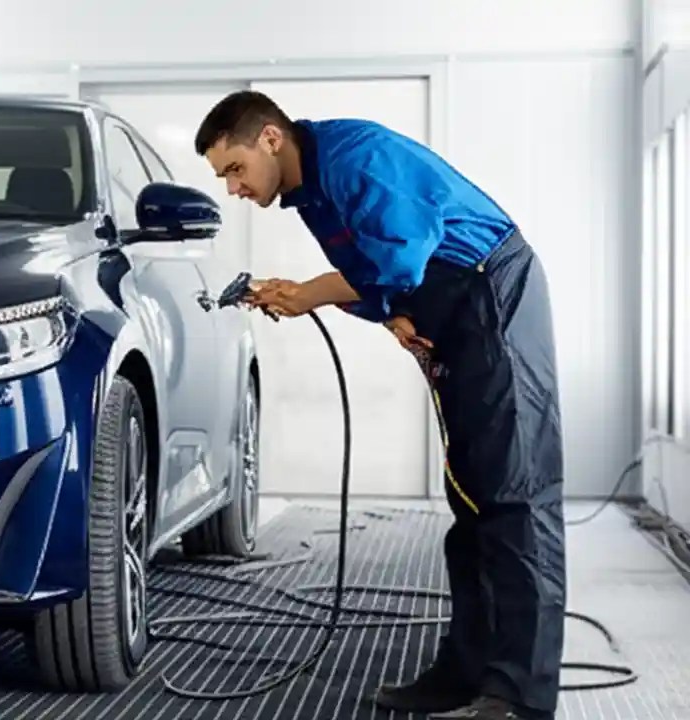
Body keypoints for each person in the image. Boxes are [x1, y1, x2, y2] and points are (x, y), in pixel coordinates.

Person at [193, 90, 566, 720]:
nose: (233, 188)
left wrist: (313, 292)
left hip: (492, 295)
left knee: (513, 498)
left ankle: (519, 696)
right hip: (450, 309)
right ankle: (465, 673)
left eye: (234, 169)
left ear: (270, 140)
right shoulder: (309, 193)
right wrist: (383, 313)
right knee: (472, 502)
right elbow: (378, 274)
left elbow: (401, 257)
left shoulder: (354, 156)